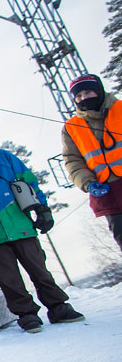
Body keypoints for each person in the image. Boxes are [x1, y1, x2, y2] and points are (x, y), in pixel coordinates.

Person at [0, 120, 84, 333]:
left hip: (20, 225)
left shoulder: (4, 157)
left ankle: (59, 308)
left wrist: (42, 209)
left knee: (40, 270)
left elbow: (29, 182)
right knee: (9, 278)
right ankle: (27, 315)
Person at [61, 73, 122, 253]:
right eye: (78, 96)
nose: (83, 98)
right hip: (108, 192)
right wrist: (87, 183)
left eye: (88, 93)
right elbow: (72, 161)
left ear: (99, 91)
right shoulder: (71, 127)